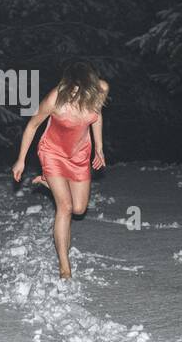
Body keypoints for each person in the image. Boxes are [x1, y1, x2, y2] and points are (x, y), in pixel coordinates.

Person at [10, 61, 108, 279]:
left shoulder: (100, 90)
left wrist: (99, 148)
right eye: (71, 88)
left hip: (80, 154)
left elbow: (97, 117)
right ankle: (65, 267)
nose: (74, 94)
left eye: (79, 89)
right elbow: (32, 126)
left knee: (79, 209)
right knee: (65, 206)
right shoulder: (55, 98)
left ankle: (50, 183)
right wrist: (21, 160)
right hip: (52, 152)